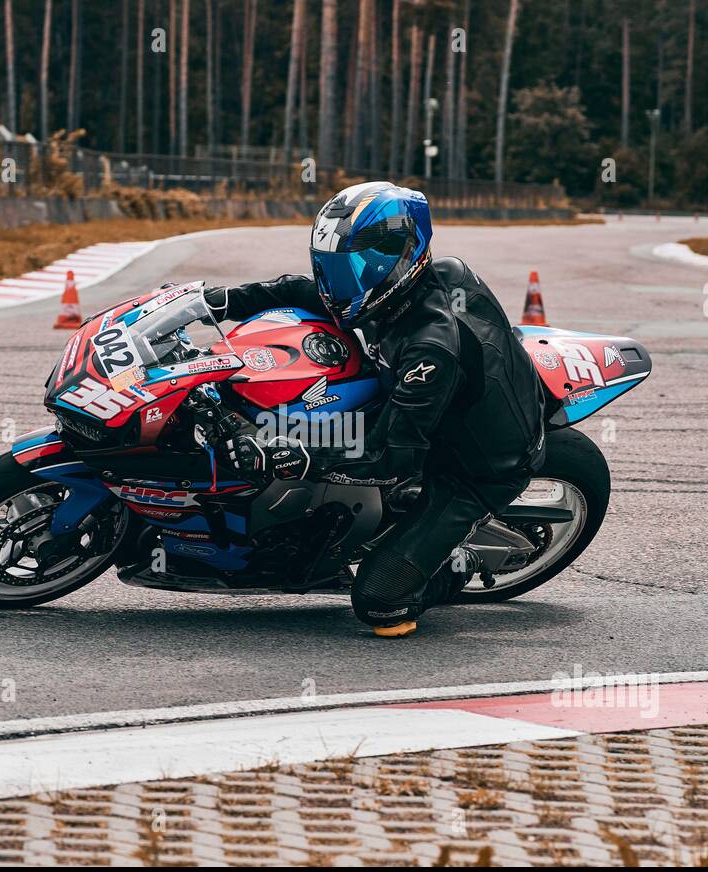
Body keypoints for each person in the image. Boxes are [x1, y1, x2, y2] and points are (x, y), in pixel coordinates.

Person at [203, 181, 547, 637]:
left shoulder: (430, 347)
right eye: (334, 267)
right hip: (428, 407)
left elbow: (393, 459)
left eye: (355, 269)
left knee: (380, 605)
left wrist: (301, 456)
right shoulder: (404, 286)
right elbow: (308, 291)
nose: (339, 283)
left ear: (401, 261)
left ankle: (453, 562)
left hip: (472, 467)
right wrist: (225, 301)